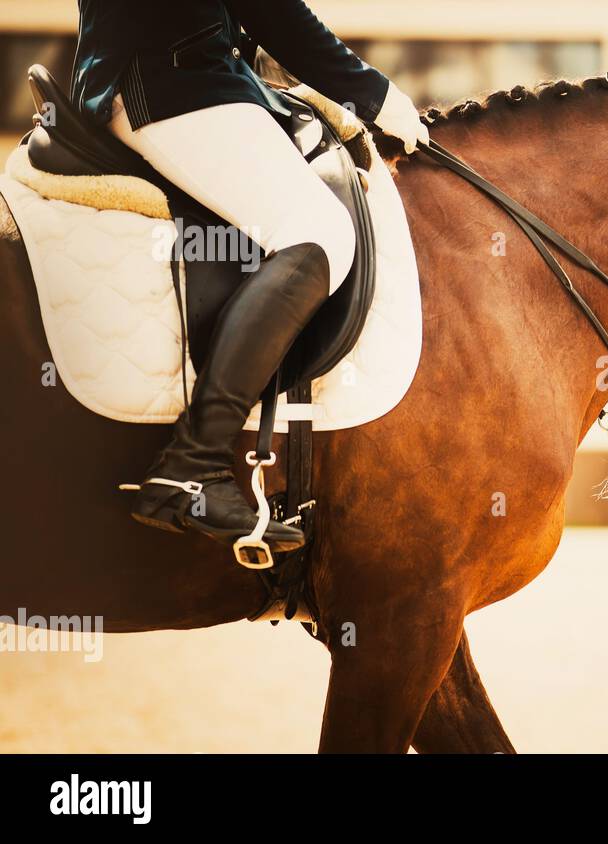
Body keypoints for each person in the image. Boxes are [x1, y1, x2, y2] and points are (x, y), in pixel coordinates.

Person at [71, 0, 429, 555]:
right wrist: (377, 95)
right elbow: (273, 11)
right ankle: (192, 466)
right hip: (171, 84)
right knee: (318, 236)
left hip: (191, 75)